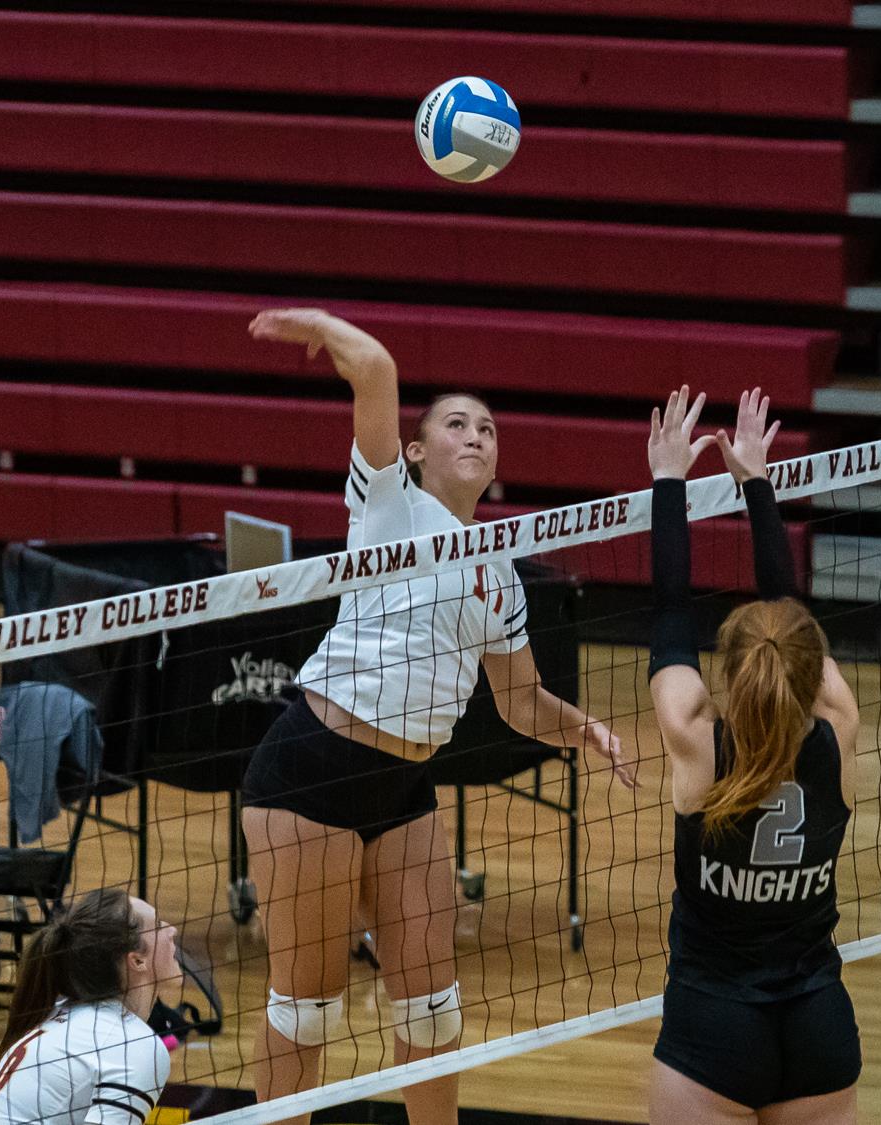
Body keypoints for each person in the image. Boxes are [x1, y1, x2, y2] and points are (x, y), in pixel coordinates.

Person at [240, 309, 633, 1125]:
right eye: (457, 423)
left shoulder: (502, 574)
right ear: (416, 451)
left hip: (407, 786)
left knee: (433, 1011)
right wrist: (317, 326)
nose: (477, 436)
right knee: (307, 1011)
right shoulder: (388, 503)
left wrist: (583, 728)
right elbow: (376, 368)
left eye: (488, 428)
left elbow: (521, 701)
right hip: (310, 770)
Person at [645, 387, 862, 1124]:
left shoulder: (697, 742)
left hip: (714, 1027)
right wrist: (757, 483)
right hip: (820, 1027)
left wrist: (669, 478)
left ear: (727, 671)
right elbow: (789, 617)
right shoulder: (838, 728)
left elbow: (671, 612)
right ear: (812, 671)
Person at [0, 889, 179, 1125]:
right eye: (158, 925)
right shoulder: (131, 1044)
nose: (172, 930)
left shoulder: (61, 1011)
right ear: (137, 960)